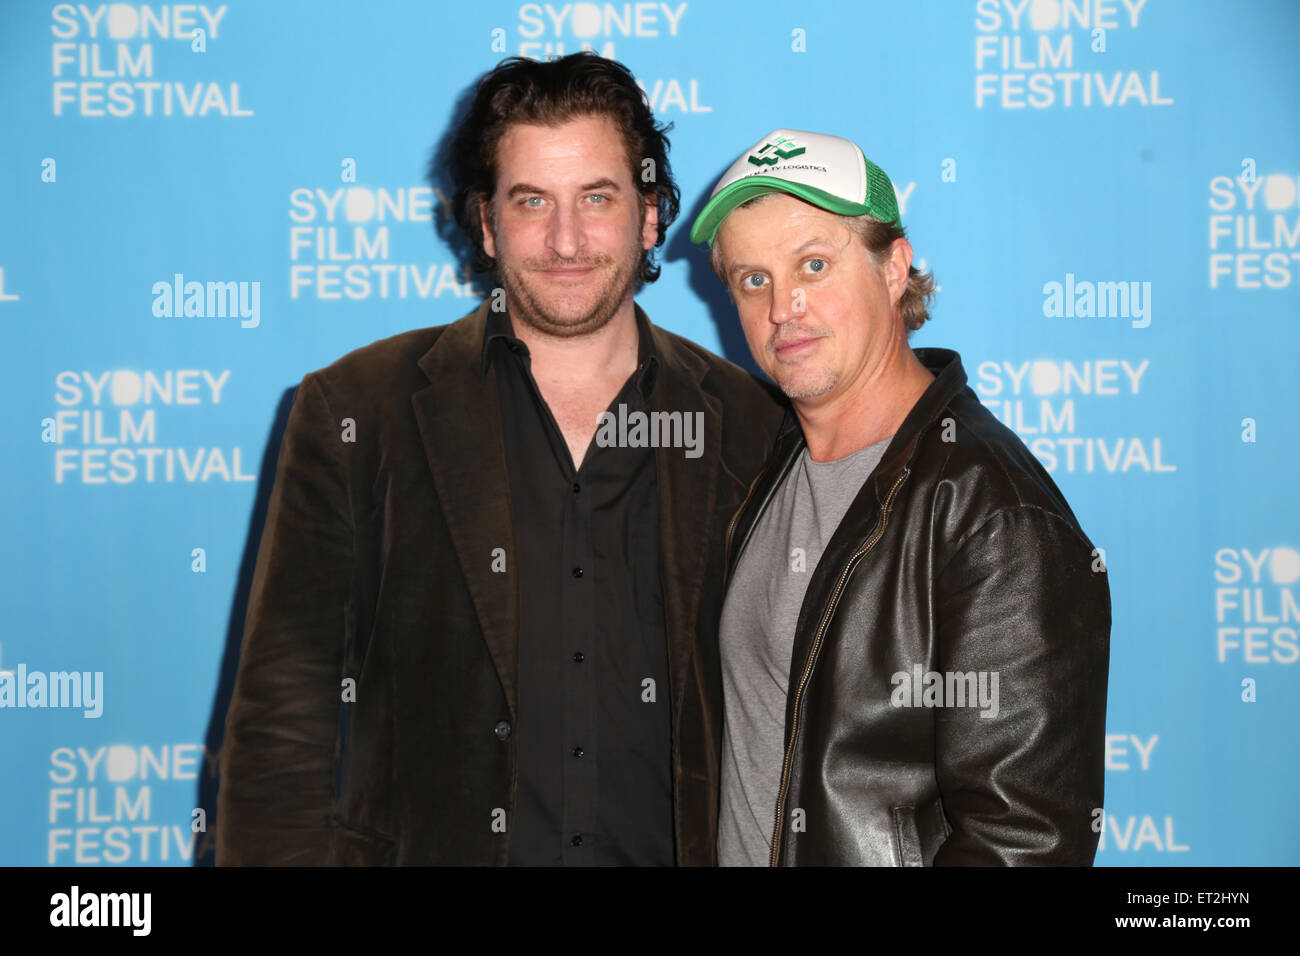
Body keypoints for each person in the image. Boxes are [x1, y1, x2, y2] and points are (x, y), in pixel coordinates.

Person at [216, 54, 786, 866]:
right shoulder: (356, 414)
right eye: (531, 202)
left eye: (597, 198)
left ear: (651, 215)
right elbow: (282, 718)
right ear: (485, 223)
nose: (566, 240)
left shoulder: (750, 425)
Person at [690, 128, 1111, 866]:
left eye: (814, 265)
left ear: (894, 267)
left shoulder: (991, 512)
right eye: (753, 279)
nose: (784, 306)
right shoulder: (766, 464)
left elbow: (1026, 841)